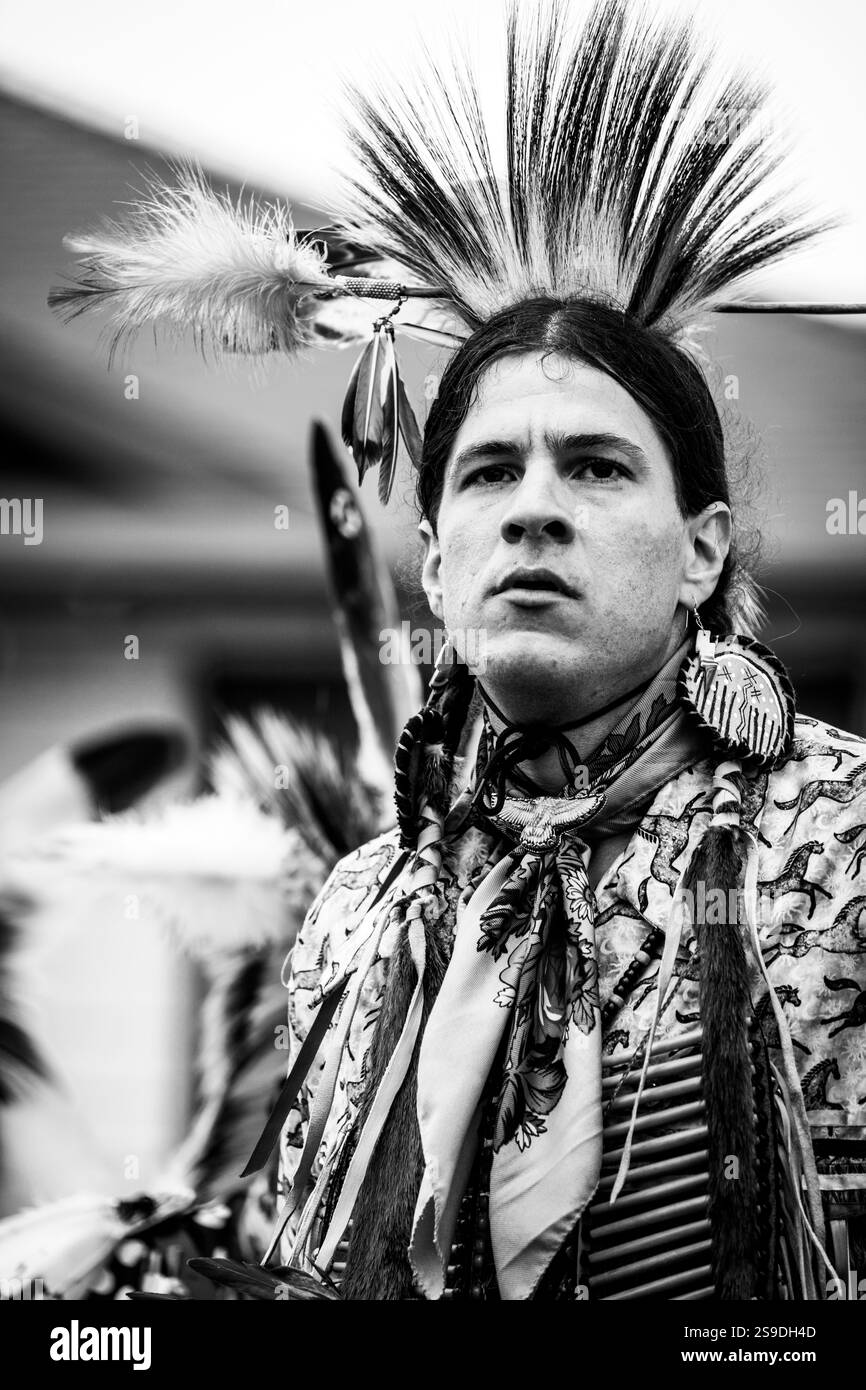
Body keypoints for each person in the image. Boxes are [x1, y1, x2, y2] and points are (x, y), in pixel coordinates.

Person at [49, 0, 866, 1301]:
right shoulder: (368, 903)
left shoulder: (842, 837)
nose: (534, 505)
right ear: (434, 560)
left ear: (702, 549)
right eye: (489, 472)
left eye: (596, 466)